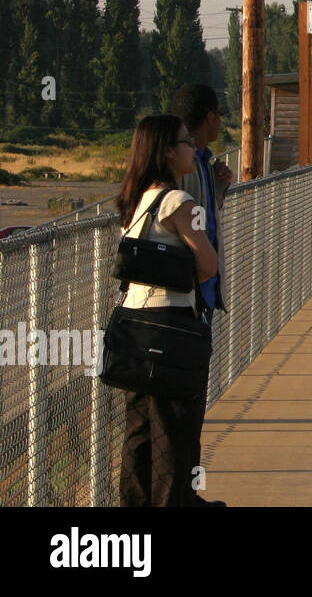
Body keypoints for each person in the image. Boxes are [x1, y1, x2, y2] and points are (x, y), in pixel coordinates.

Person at [115, 114, 221, 507]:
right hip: (172, 327)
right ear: (166, 151)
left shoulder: (136, 198)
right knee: (175, 429)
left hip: (135, 325)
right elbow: (208, 264)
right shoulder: (178, 201)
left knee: (140, 427)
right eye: (185, 142)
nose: (192, 148)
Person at [170, 83, 231, 316]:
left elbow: (200, 213)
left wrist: (218, 189)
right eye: (220, 115)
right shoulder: (185, 167)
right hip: (187, 292)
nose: (221, 121)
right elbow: (184, 218)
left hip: (202, 290)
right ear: (210, 117)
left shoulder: (204, 163)